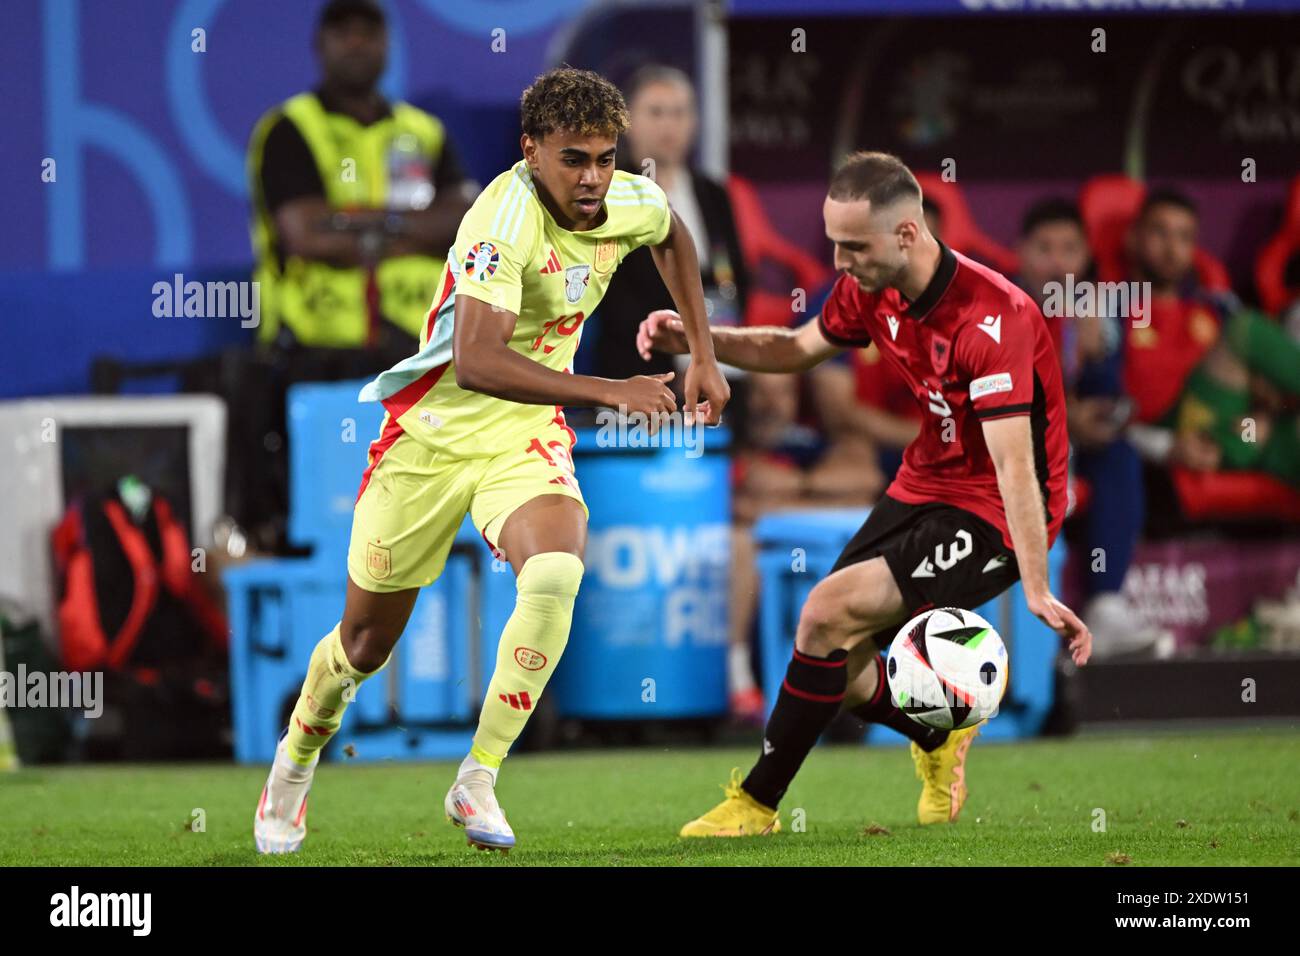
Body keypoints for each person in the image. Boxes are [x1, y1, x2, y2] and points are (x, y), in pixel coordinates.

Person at [253, 67, 731, 854]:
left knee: (555, 574)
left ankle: (477, 778)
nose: (593, 177)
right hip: (431, 438)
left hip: (523, 433)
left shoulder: (625, 200)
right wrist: (607, 389)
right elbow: (476, 360)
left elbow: (672, 230)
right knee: (365, 646)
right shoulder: (498, 220)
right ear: (532, 152)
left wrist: (703, 355)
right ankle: (295, 762)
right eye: (574, 158)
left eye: (606, 157)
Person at [638, 151, 1091, 836]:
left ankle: (756, 804)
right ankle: (936, 735)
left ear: (906, 234)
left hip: (997, 507)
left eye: (854, 245)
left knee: (825, 611)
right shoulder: (868, 288)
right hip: (923, 482)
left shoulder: (994, 319)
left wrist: (1034, 585)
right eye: (833, 243)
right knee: (833, 652)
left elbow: (1015, 465)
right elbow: (792, 348)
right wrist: (700, 339)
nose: (839, 260)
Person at [247, 0, 476, 352]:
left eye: (368, 33)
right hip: (317, 347)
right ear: (320, 44)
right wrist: (415, 231)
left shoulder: (423, 130)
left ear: (387, 44)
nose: (356, 43)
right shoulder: (290, 128)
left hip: (423, 343)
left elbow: (466, 223)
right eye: (343, 33)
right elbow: (308, 236)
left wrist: (360, 225)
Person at [1015, 198, 1159, 657]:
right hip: (1011, 445)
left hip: (1073, 450)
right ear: (1021, 254)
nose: (1057, 263)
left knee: (1119, 455)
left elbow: (1108, 404)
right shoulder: (997, 307)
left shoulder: (1097, 312)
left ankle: (1106, 606)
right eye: (1044, 249)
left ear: (1085, 258)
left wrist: (1089, 354)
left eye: (1069, 250)